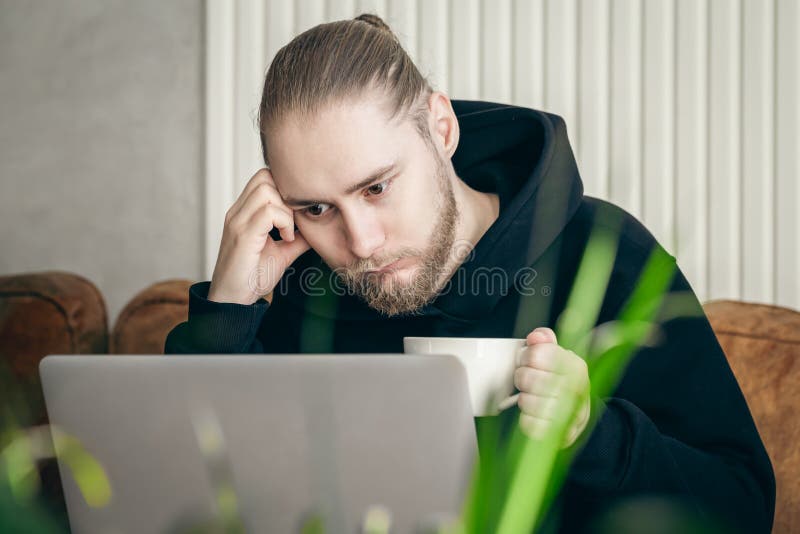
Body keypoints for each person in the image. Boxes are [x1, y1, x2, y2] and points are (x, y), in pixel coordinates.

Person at [165, 13, 775, 533]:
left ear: (442, 127)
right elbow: (176, 502)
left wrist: (592, 434)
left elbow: (742, 506)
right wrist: (228, 310)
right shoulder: (311, 283)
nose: (360, 244)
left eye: (377, 187)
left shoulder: (606, 254)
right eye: (317, 209)